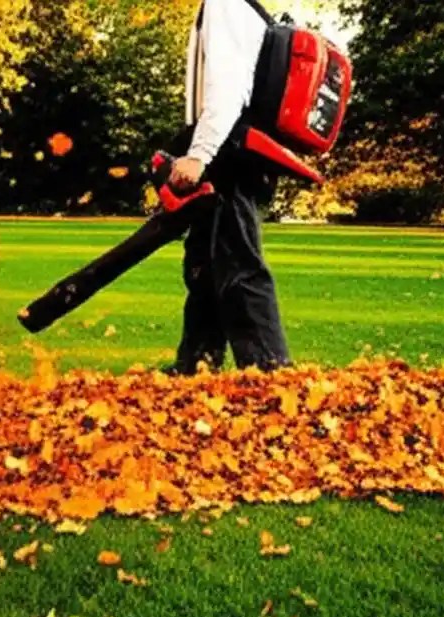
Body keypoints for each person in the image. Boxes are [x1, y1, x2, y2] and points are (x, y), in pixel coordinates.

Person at [165, 0, 290, 376]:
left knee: (239, 266)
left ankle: (273, 375)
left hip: (229, 154)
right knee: (204, 266)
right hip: (234, 150)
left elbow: (227, 89)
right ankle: (195, 368)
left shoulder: (226, 5)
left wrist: (199, 155)